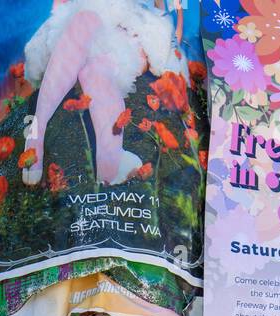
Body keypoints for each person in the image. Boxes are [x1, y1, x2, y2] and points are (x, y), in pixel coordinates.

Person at [22, 0, 182, 188]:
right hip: (90, 19)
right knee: (83, 20)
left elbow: (166, 18)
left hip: (135, 31)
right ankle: (36, 133)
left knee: (96, 67)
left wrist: (167, 28)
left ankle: (110, 160)